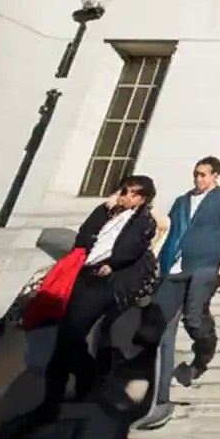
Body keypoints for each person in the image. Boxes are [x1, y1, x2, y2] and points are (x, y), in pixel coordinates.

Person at [40, 176, 159, 418]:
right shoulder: (107, 213)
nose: (125, 195)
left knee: (71, 333)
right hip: (84, 275)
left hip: (106, 282)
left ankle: (59, 394)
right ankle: (76, 383)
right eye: (123, 190)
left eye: (131, 193)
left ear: (142, 198)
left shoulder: (144, 221)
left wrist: (111, 263)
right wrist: (103, 210)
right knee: (67, 335)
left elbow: (132, 249)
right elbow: (82, 239)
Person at [138, 156, 220, 429]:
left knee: (194, 319)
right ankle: (160, 400)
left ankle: (205, 350)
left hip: (205, 266)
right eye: (196, 174)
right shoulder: (182, 202)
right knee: (162, 330)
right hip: (174, 269)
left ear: (215, 176)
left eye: (204, 175)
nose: (199, 179)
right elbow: (170, 231)